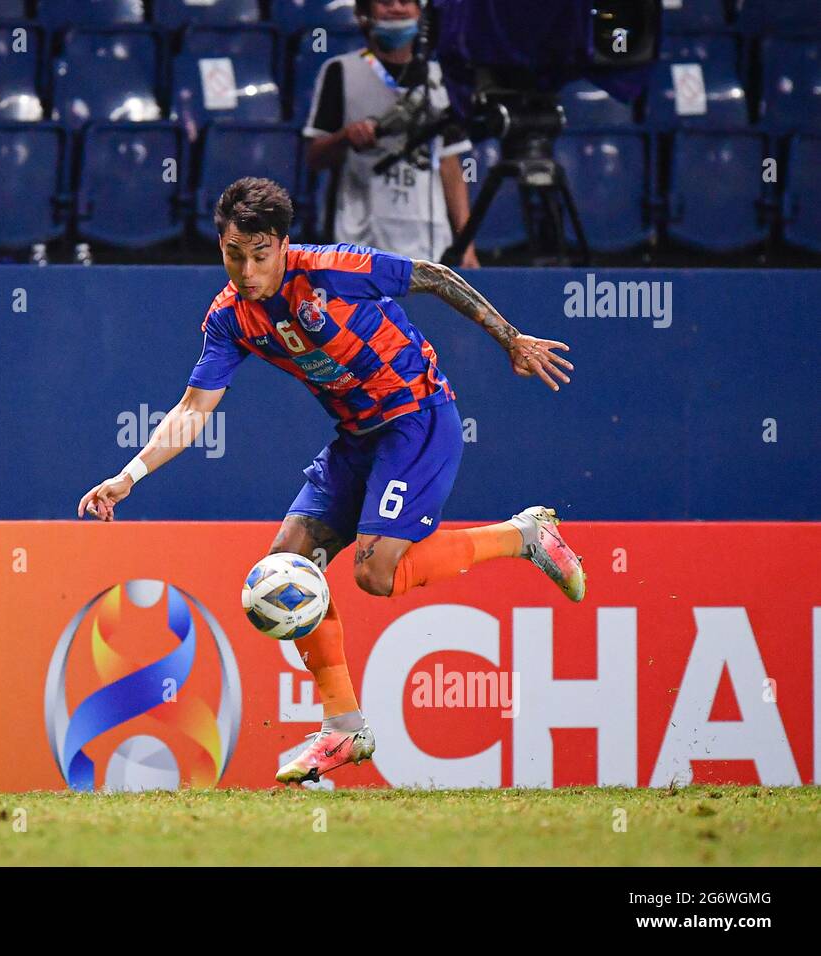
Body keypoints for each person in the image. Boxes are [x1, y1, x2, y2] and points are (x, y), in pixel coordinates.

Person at [77, 178, 583, 785]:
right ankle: (344, 728)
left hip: (416, 418)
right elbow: (192, 410)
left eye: (258, 255)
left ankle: (524, 536)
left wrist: (511, 338)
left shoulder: (331, 271)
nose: (245, 269)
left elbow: (435, 276)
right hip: (357, 440)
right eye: (232, 253)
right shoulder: (229, 318)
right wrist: (128, 476)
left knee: (376, 573)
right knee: (286, 566)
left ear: (282, 245)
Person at [306, 0, 479, 266]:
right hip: (359, 243)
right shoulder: (341, 71)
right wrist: (345, 137)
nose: (397, 9)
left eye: (406, 2)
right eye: (386, 2)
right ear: (365, 13)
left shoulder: (440, 77)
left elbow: (450, 165)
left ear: (420, 12)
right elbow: (315, 158)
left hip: (430, 243)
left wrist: (465, 244)